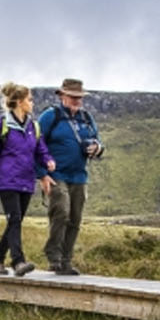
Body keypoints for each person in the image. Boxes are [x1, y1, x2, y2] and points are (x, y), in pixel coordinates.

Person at [0, 82, 54, 276]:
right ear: (19, 102)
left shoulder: (33, 126)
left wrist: (48, 160)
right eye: (30, 99)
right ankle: (18, 262)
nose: (32, 103)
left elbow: (40, 149)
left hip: (26, 183)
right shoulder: (3, 125)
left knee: (14, 222)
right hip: (8, 182)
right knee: (15, 220)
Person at [35, 77, 103, 275]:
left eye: (79, 97)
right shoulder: (50, 116)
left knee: (75, 218)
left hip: (79, 176)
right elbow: (35, 144)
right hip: (56, 174)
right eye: (72, 96)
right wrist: (42, 175)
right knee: (62, 211)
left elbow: (98, 142)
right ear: (62, 96)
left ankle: (66, 261)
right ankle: (53, 256)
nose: (76, 100)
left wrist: (98, 148)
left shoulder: (87, 118)